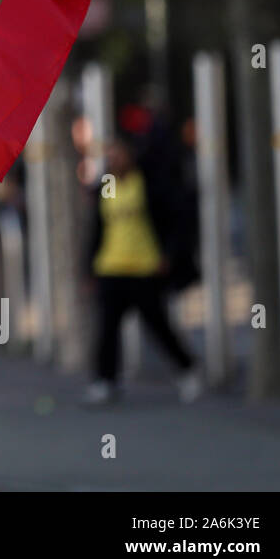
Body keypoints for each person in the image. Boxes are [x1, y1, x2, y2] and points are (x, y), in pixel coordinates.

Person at [82, 133, 201, 406]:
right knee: (107, 328)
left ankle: (187, 369)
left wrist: (168, 255)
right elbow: (98, 228)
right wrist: (89, 267)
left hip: (143, 267)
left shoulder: (146, 183)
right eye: (110, 155)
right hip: (111, 266)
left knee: (157, 325)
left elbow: (172, 219)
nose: (115, 160)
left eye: (119, 154)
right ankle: (106, 380)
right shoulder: (108, 185)